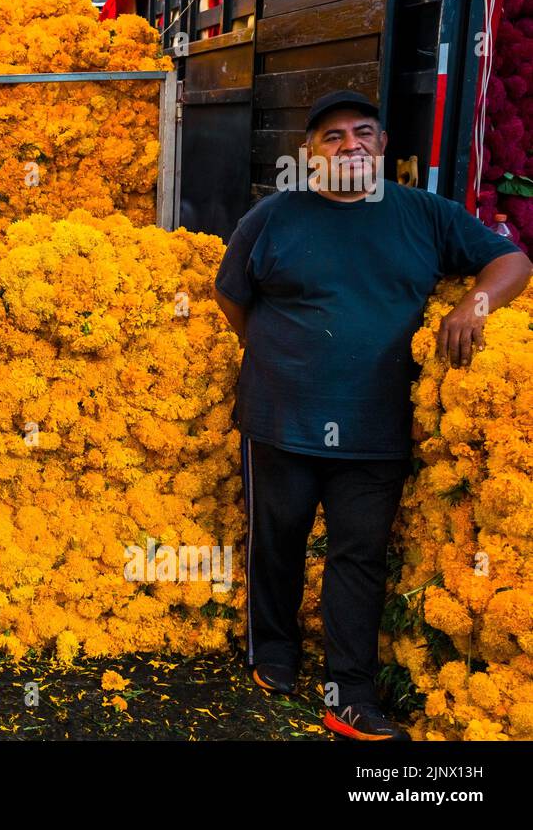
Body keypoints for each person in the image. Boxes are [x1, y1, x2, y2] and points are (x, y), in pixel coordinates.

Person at [212, 90, 533, 741]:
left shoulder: (425, 215)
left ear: (383, 147)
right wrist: (280, 358)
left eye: (363, 133)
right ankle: (273, 653)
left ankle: (349, 695)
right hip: (281, 418)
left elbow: (513, 260)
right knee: (277, 542)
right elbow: (230, 295)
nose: (350, 145)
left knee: (360, 558)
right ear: (311, 154)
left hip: (376, 427)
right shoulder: (275, 215)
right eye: (333, 136)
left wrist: (474, 305)